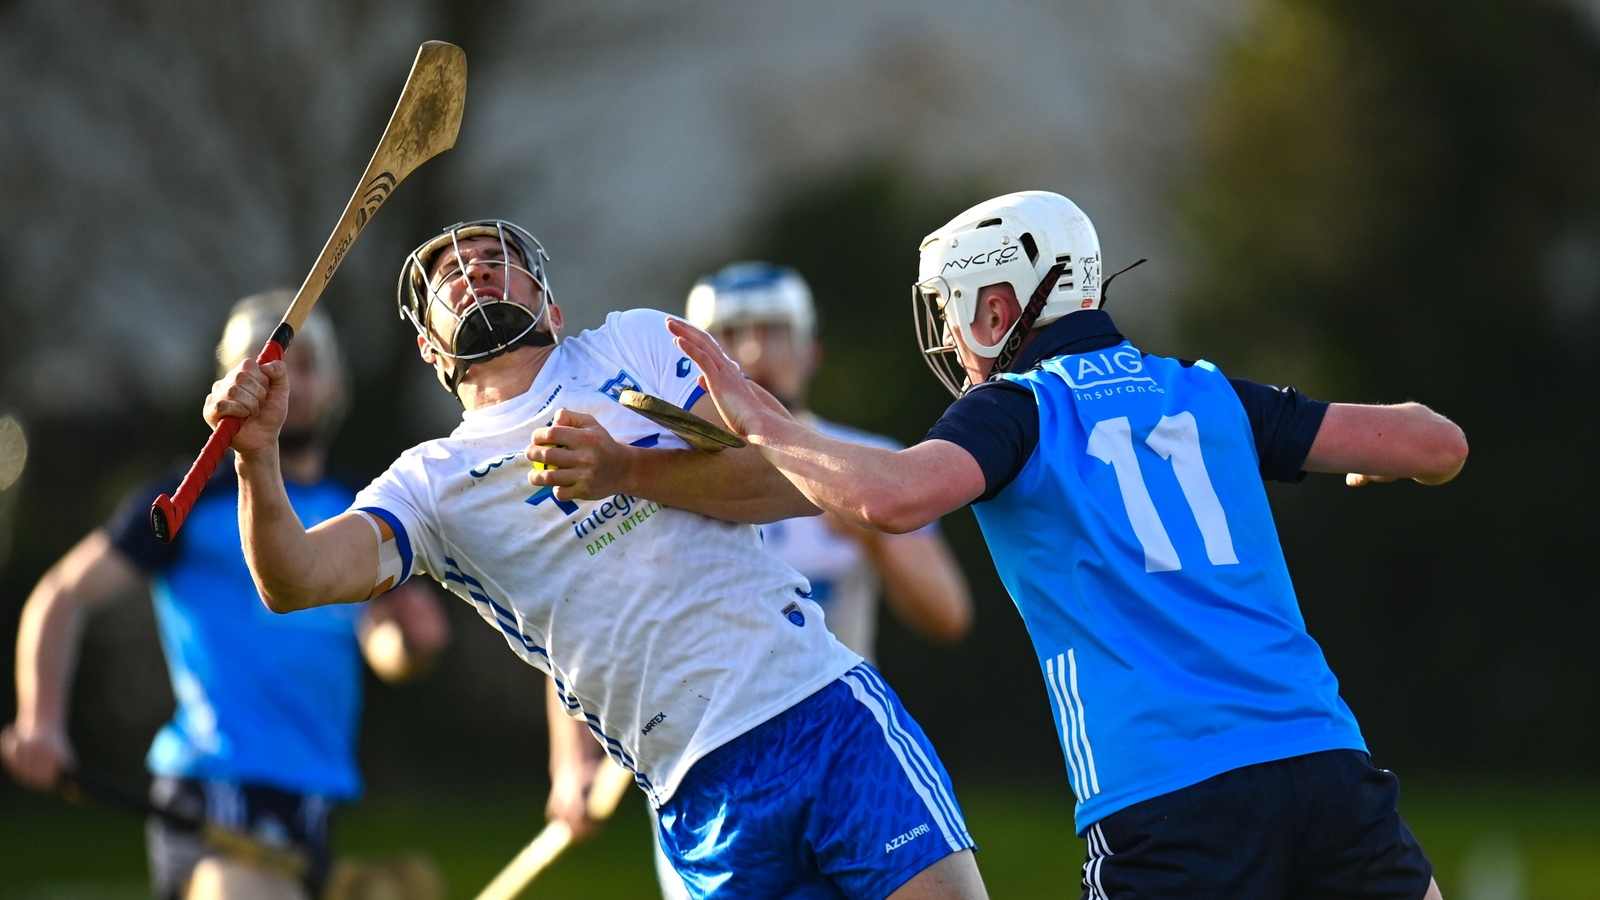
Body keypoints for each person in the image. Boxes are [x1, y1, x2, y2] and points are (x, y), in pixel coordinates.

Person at [664, 191, 1468, 900]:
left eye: (952, 310)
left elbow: (891, 497)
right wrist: (1375, 464)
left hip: (1164, 795)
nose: (948, 336)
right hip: (1326, 767)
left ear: (996, 309)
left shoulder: (1016, 407)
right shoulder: (1206, 389)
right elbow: (1436, 445)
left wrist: (764, 422)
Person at [202, 220, 989, 900]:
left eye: (492, 257)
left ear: (550, 301)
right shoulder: (429, 486)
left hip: (818, 712)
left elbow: (798, 478)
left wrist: (628, 471)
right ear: (427, 345)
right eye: (449, 272)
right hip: (695, 796)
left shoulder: (638, 345)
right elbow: (294, 578)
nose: (473, 271)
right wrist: (256, 460)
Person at [2, 292, 451, 900]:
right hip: (211, 788)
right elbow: (62, 595)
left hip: (315, 794)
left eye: (306, 364)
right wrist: (42, 721)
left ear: (336, 384)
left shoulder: (363, 505)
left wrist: (409, 644)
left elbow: (375, 636)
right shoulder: (188, 500)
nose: (283, 380)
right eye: (258, 364)